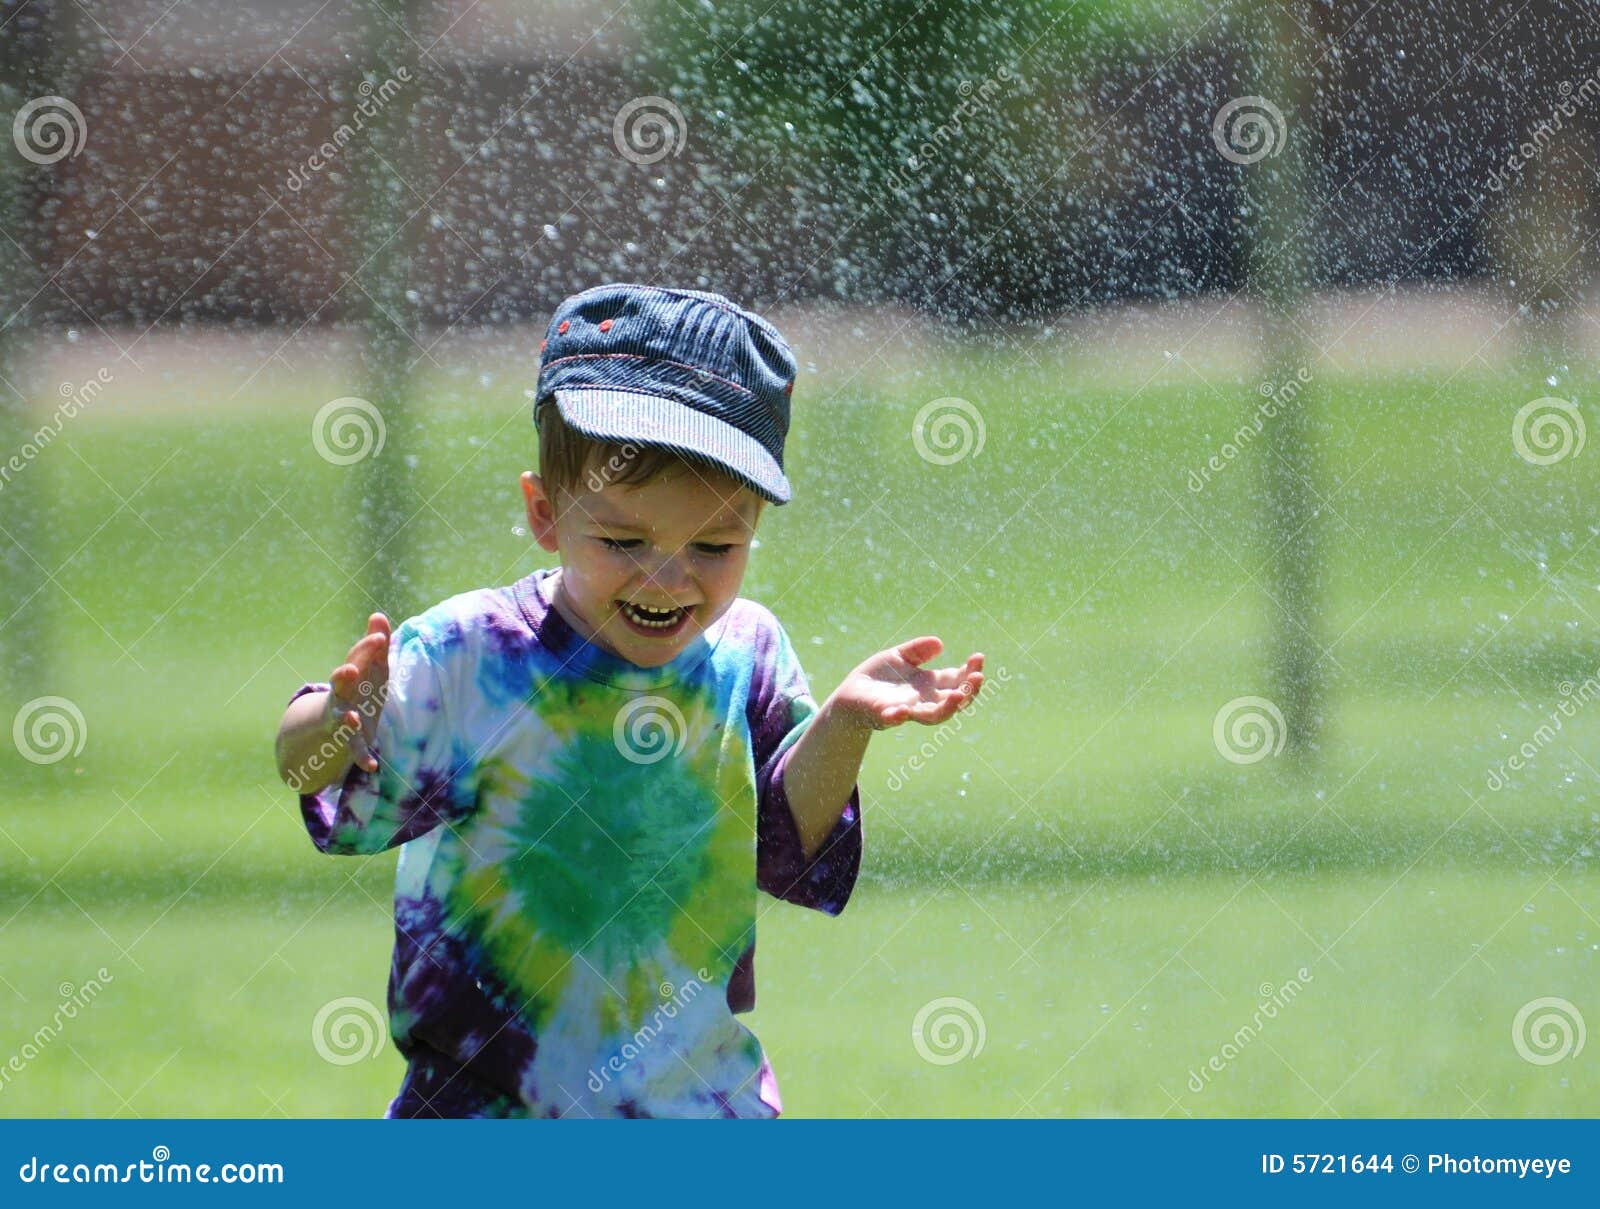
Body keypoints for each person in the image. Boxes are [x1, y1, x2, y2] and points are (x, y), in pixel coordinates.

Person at [273, 282, 985, 1118]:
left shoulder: (748, 652)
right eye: (624, 540)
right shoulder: (476, 653)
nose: (666, 576)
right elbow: (319, 780)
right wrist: (332, 721)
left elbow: (785, 847)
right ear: (546, 513)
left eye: (714, 545)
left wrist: (847, 722)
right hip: (486, 1105)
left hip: (697, 1105)